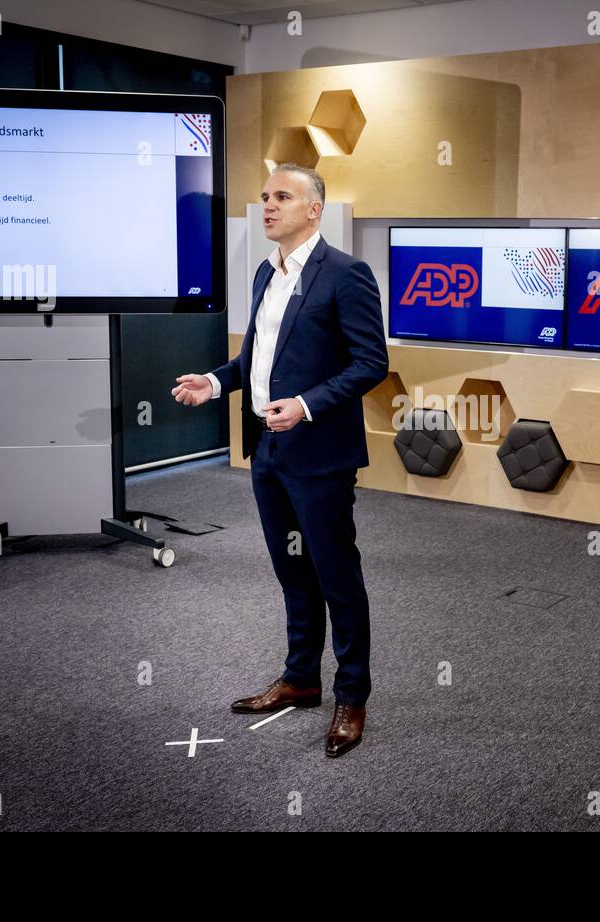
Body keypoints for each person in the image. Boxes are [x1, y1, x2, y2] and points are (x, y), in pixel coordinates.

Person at [171, 163, 389, 757]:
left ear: (314, 208)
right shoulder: (267, 272)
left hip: (318, 452)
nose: (268, 205)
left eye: (282, 197)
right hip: (268, 451)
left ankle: (352, 695)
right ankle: (300, 678)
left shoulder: (347, 274)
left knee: (337, 576)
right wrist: (215, 385)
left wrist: (308, 405)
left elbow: (371, 362)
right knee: (293, 572)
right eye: (265, 195)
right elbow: (259, 362)